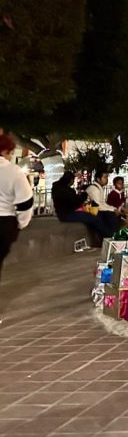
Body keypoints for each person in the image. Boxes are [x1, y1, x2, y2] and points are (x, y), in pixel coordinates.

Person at [0, 134, 34, 320]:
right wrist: (20, 223)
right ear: (6, 151)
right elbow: (25, 203)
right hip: (4, 222)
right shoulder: (13, 172)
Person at [51, 172, 115, 243]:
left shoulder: (56, 188)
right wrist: (83, 195)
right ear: (70, 180)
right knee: (94, 218)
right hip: (68, 214)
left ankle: (101, 238)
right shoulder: (66, 190)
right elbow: (75, 203)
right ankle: (108, 236)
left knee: (94, 218)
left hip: (64, 213)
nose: (73, 182)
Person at [85, 167, 124, 232]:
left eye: (107, 177)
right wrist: (113, 210)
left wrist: (114, 209)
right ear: (98, 179)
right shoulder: (94, 189)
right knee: (112, 216)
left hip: (96, 209)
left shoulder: (99, 188)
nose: (107, 179)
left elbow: (103, 203)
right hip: (91, 211)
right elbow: (98, 206)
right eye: (105, 177)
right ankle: (109, 235)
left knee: (117, 214)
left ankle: (115, 233)